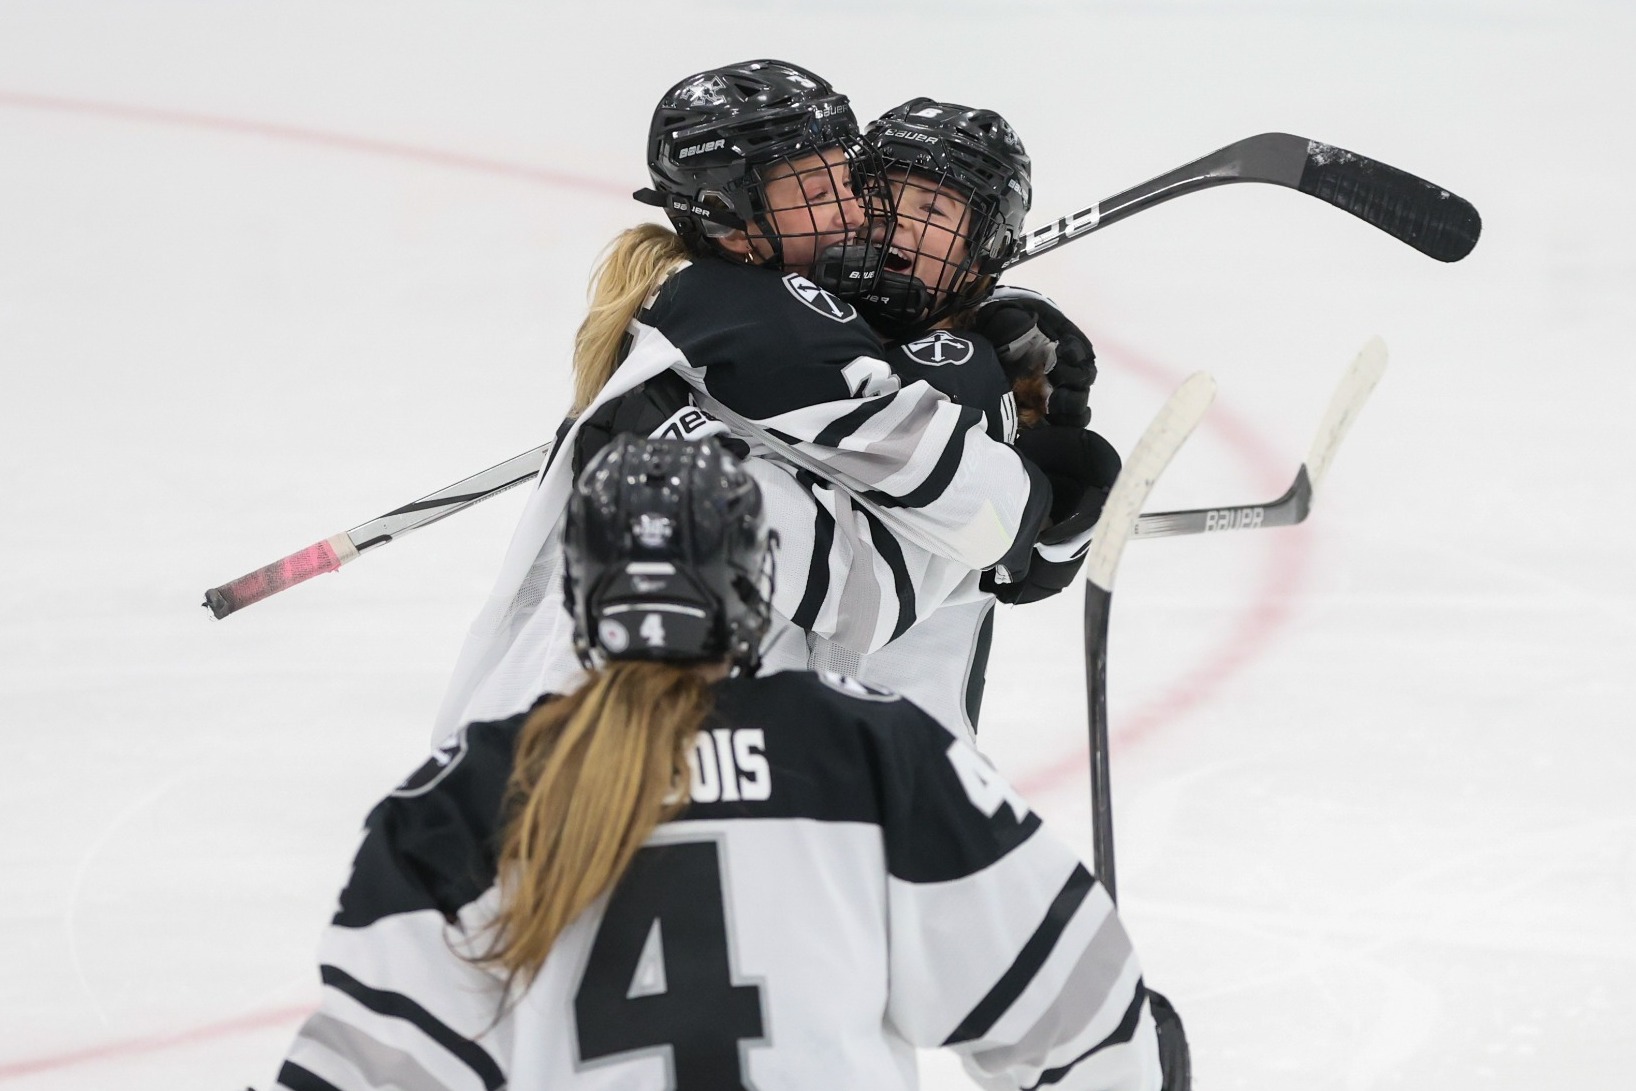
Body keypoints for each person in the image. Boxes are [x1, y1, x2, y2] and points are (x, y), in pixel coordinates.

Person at [269, 436, 1186, 1091]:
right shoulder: (867, 754)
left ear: (578, 591)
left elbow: (359, 1072)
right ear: (755, 581)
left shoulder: (473, 792)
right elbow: (1087, 1029)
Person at [433, 61, 1062, 741]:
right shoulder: (758, 330)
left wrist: (987, 356)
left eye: (851, 182)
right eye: (821, 191)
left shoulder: (748, 326)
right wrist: (1020, 472)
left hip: (721, 759)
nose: (862, 215)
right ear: (734, 219)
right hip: (601, 759)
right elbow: (875, 592)